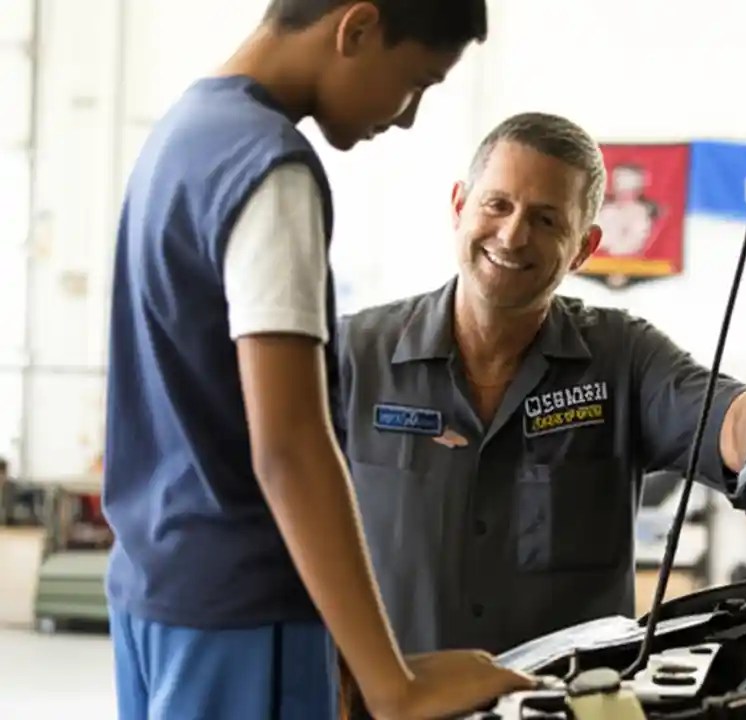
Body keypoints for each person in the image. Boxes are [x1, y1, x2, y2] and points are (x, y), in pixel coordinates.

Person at [100, 2, 535, 719]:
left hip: (157, 592)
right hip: (245, 611)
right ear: (356, 29)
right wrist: (394, 684)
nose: (407, 117)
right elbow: (291, 447)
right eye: (416, 83)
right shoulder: (270, 169)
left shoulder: (182, 135)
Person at [335, 111, 746, 661]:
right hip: (389, 697)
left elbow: (732, 412)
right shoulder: (354, 355)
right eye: (497, 205)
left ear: (583, 248)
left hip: (566, 699)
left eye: (546, 220)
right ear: (458, 206)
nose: (513, 235)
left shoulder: (622, 358)